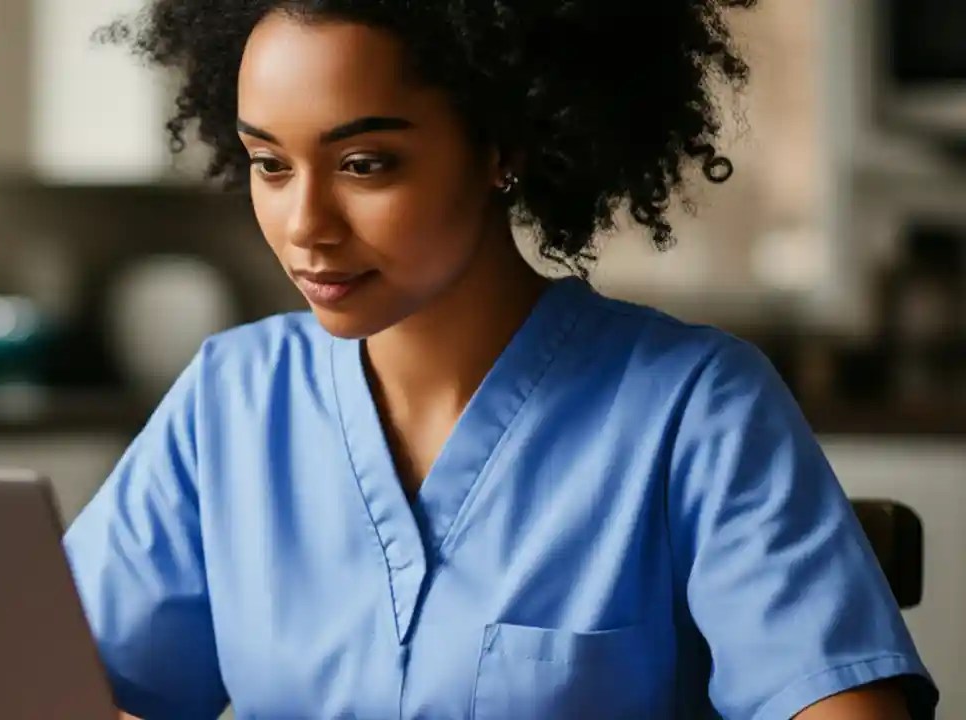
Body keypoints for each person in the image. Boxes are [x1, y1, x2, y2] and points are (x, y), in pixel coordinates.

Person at [63, 1, 938, 717]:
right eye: (269, 164)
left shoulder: (695, 409)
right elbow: (53, 686)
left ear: (503, 147)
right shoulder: (232, 399)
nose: (305, 227)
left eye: (365, 164)